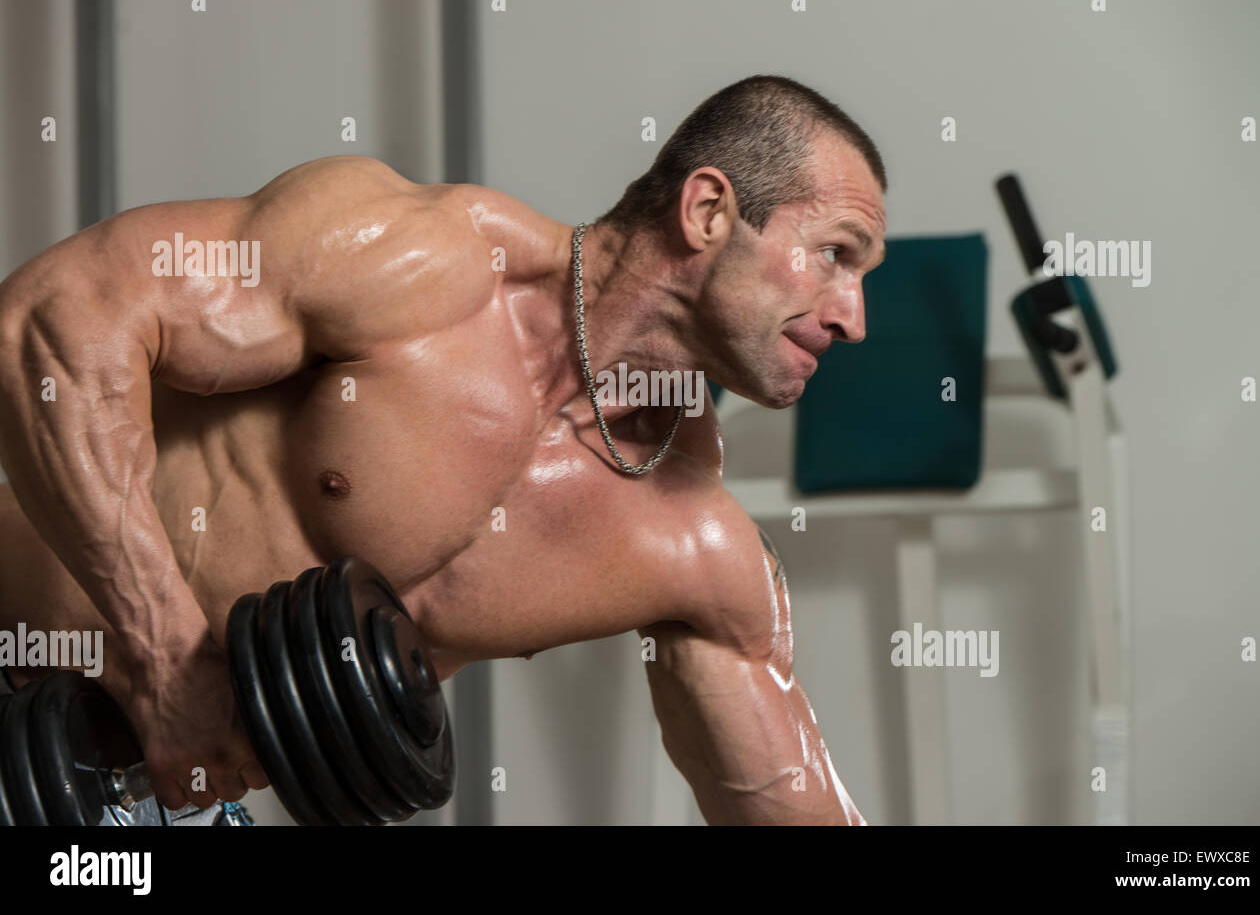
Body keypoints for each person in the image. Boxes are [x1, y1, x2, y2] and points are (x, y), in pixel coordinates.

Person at [0, 74, 887, 824]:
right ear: (707, 211)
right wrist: (162, 651)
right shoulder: (420, 263)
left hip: (124, 811)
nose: (855, 318)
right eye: (834, 255)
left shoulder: (694, 546)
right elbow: (54, 321)